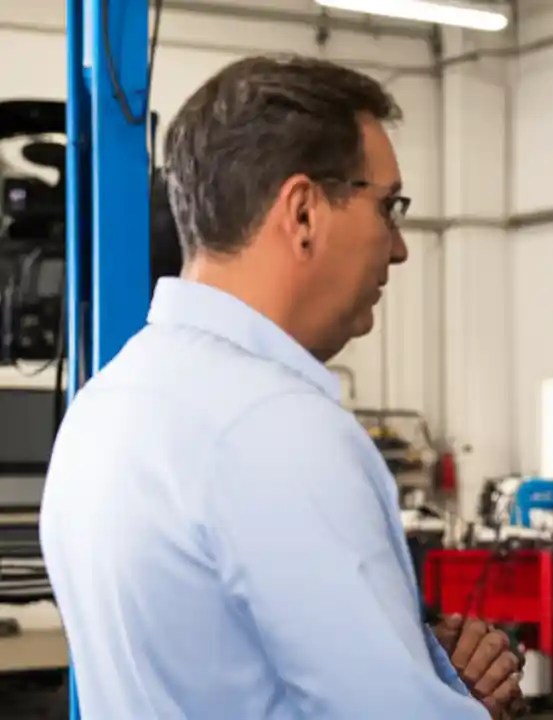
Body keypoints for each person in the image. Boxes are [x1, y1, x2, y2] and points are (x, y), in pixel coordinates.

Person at [40, 56, 522, 719]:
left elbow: (221, 662)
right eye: (388, 207)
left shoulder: (107, 405)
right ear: (302, 213)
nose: (399, 247)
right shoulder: (277, 426)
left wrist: (417, 663)